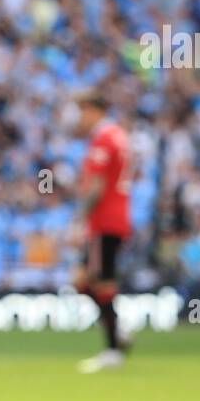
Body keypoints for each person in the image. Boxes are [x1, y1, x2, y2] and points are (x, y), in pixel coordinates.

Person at [73, 94, 133, 374]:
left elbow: (96, 186)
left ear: (94, 110)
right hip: (116, 217)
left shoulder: (103, 138)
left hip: (104, 221)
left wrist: (79, 220)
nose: (80, 118)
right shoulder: (119, 135)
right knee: (82, 280)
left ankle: (113, 348)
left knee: (101, 282)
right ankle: (118, 328)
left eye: (82, 111)